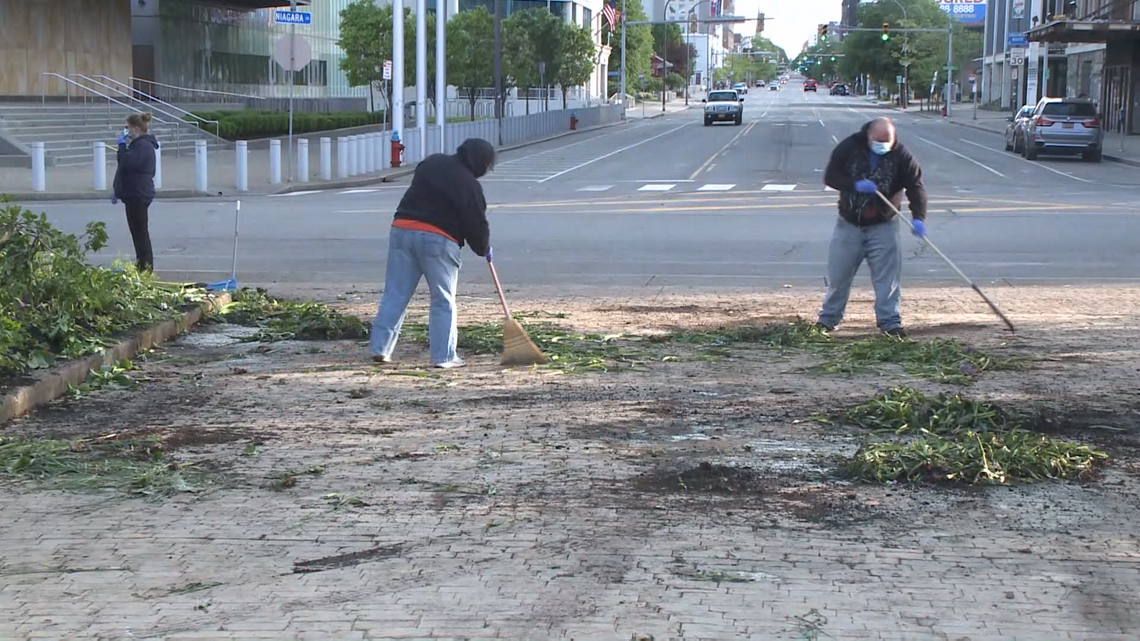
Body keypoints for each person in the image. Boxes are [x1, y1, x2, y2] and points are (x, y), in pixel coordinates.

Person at [369, 137, 495, 369]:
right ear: (479, 161)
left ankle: (380, 348)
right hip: (439, 240)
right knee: (442, 299)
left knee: (395, 294)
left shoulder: (431, 163)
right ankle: (444, 356)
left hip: (402, 230)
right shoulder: (469, 185)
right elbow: (476, 223)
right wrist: (484, 248)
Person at [818, 117, 928, 337]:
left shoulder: (901, 155)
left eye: (888, 141)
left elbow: (915, 186)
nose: (884, 145)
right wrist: (854, 185)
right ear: (869, 135)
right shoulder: (850, 147)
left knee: (887, 279)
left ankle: (890, 322)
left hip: (883, 225)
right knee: (839, 276)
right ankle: (828, 319)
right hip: (849, 224)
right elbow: (831, 176)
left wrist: (919, 217)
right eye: (879, 141)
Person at [111, 113, 159, 272]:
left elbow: (127, 163)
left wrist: (122, 147)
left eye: (127, 127)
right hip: (134, 193)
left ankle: (145, 267)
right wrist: (118, 190)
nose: (126, 130)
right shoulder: (139, 145)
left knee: (140, 233)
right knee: (137, 233)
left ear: (135, 128)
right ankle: (142, 264)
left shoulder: (143, 145)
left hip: (138, 194)